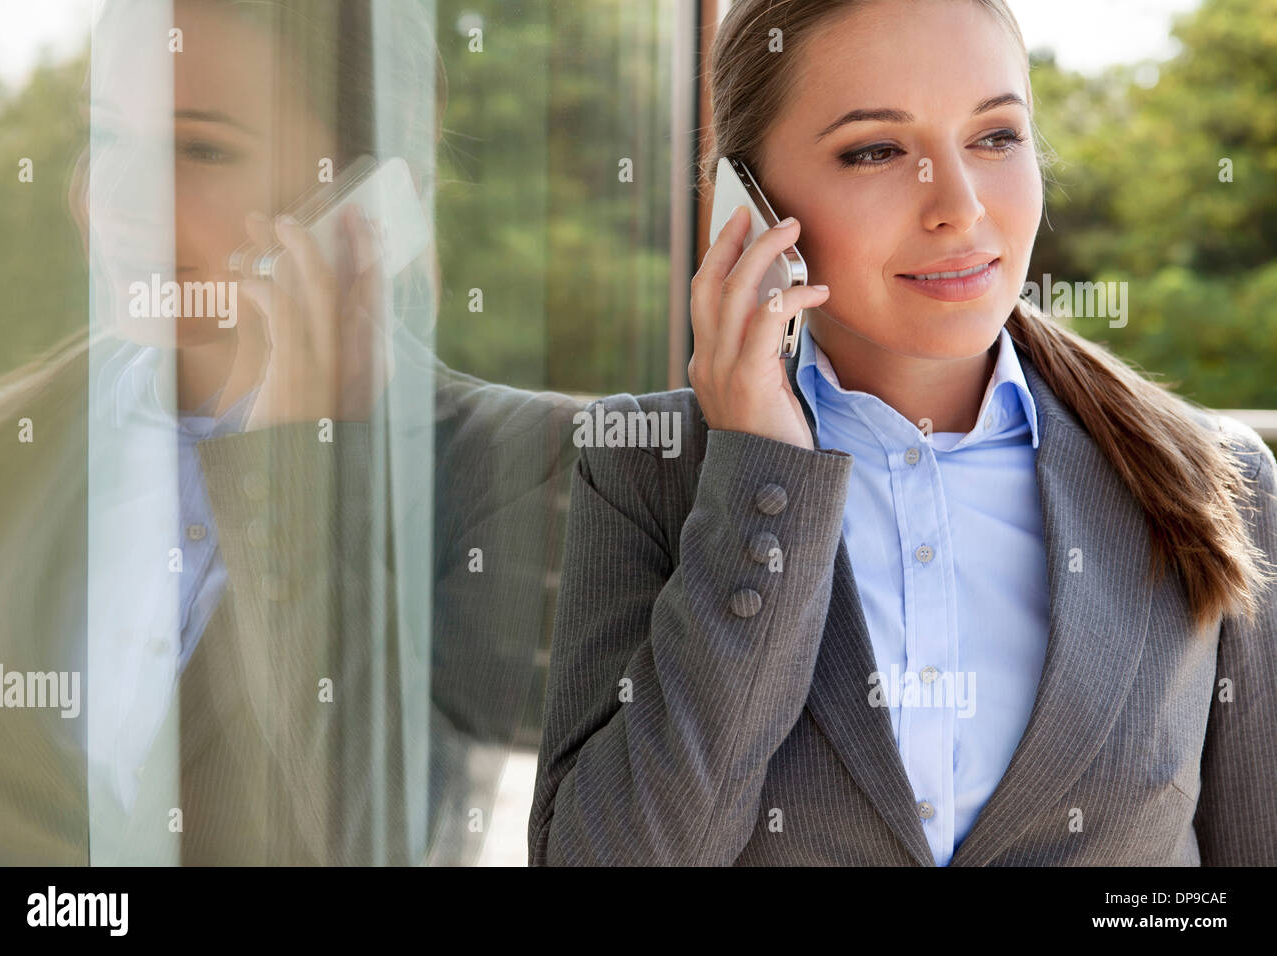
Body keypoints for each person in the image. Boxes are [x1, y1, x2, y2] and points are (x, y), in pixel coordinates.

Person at [529, 0, 1277, 866]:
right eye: (876, 151)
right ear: (749, 202)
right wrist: (762, 481)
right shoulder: (646, 466)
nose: (958, 207)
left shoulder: (1220, 480)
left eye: (996, 137)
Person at [0, 0, 580, 865]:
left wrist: (294, 458)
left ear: (371, 198)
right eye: (108, 138)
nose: (118, 204)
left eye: (202, 148)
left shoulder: (518, 464)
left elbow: (382, 840)